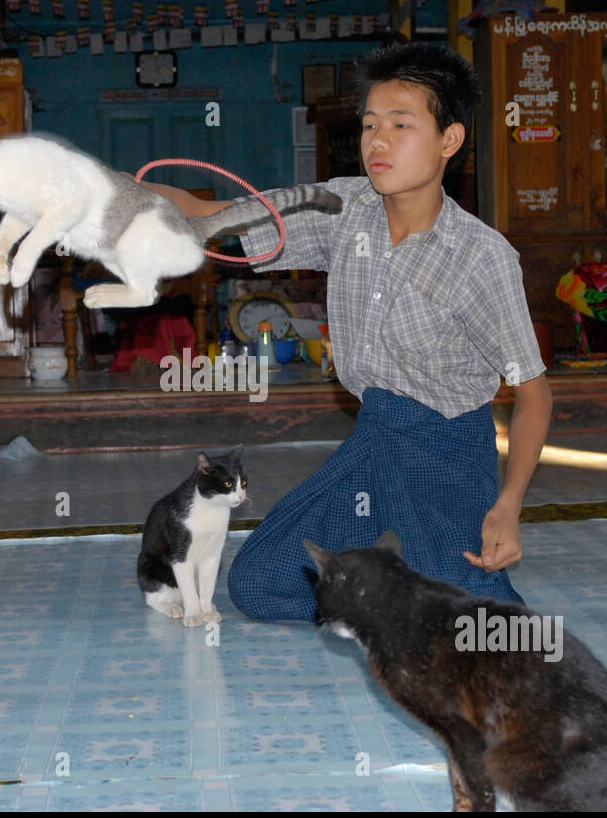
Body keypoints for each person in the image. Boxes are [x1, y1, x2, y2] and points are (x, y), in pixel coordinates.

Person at [145, 41, 552, 621]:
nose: (377, 142)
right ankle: (384, 605)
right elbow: (214, 213)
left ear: (449, 140)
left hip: (445, 451)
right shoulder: (345, 207)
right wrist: (107, 196)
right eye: (369, 126)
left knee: (475, 614)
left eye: (400, 125)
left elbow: (534, 392)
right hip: (373, 439)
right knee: (261, 585)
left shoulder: (481, 258)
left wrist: (508, 506)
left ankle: (431, 604)